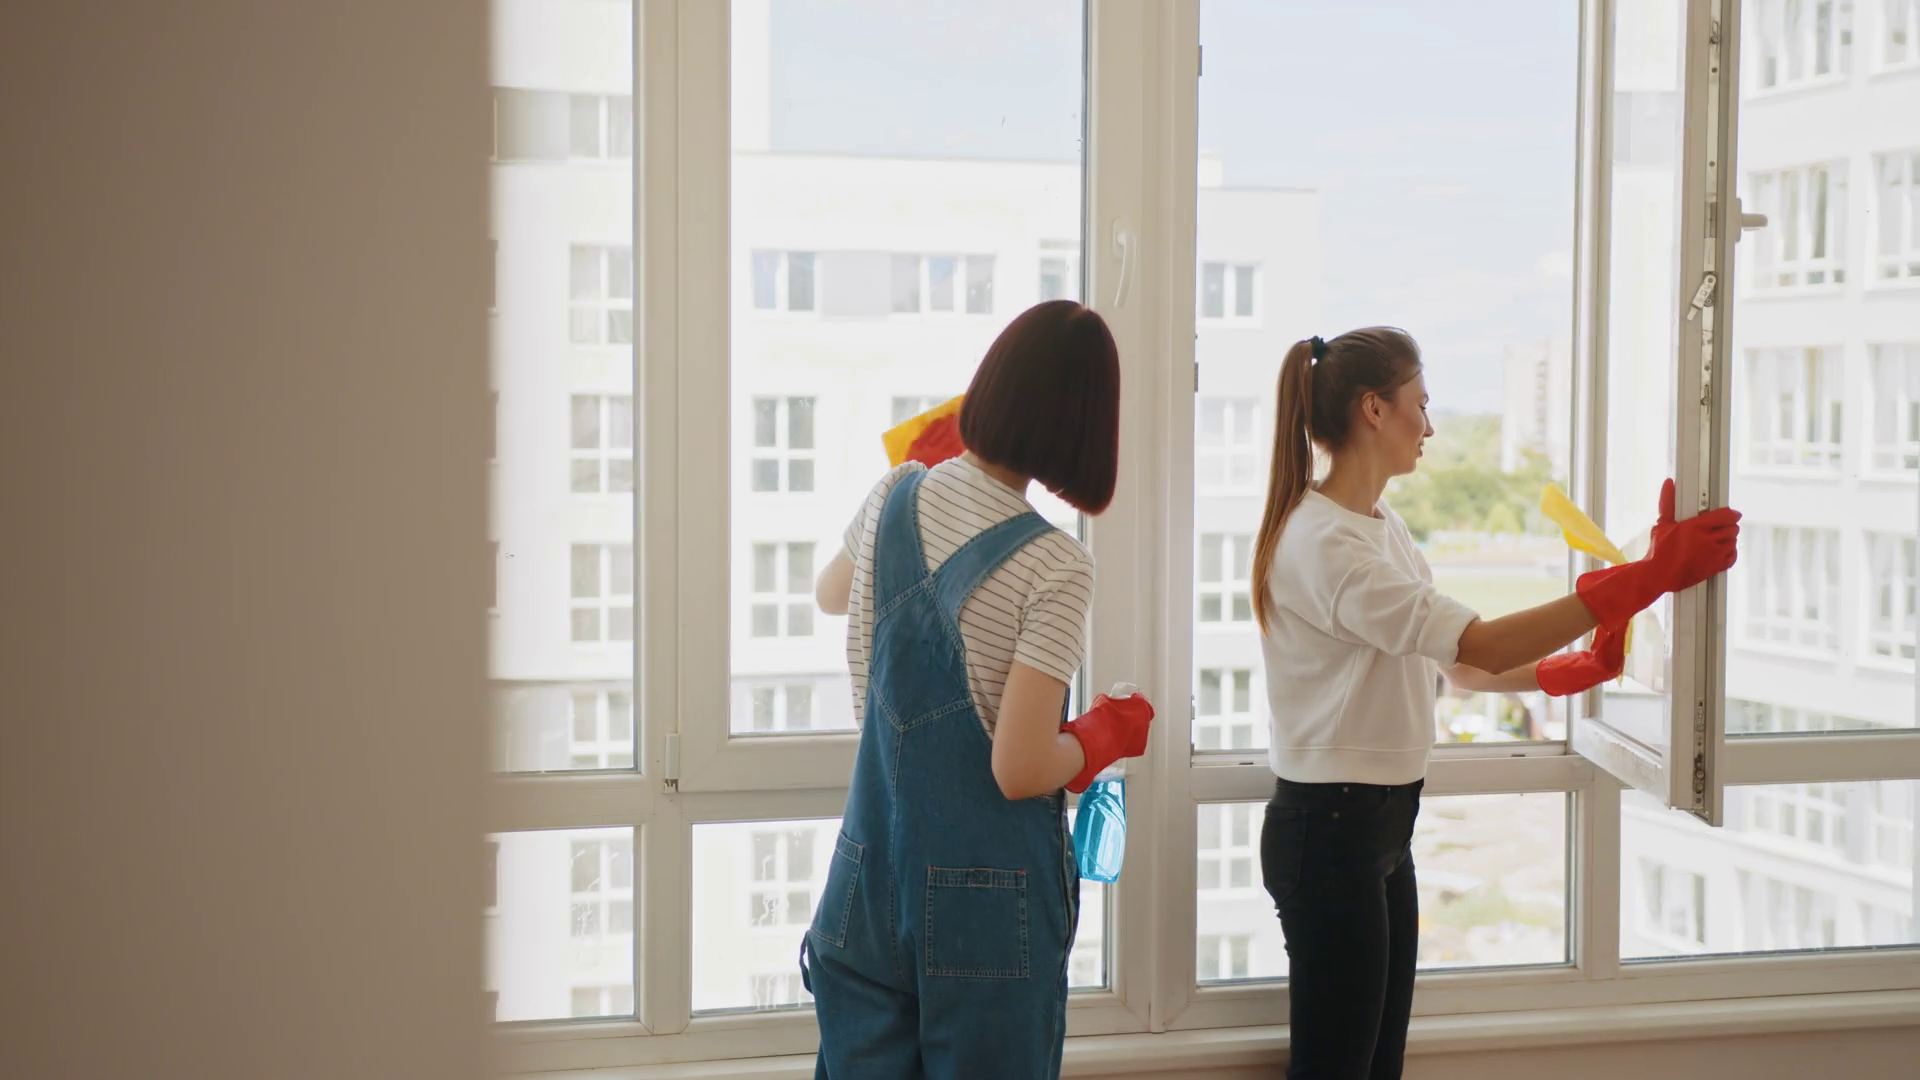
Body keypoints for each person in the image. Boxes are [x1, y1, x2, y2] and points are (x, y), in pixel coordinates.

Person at [1251, 328, 1740, 1079]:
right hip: (1332, 832)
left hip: (1377, 827)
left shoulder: (1384, 530)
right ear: (1374, 410)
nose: (1432, 424)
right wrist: (1645, 577)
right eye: (1422, 402)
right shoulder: (1324, 545)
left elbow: (1460, 664)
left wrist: (1577, 669)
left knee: (1375, 1070)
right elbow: (1479, 644)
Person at [803, 300, 1156, 1080]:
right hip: (984, 920)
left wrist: (919, 472)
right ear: (1086, 426)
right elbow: (1020, 768)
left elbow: (831, 593)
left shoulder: (894, 492)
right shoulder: (1054, 565)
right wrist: (1109, 732)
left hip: (863, 890)